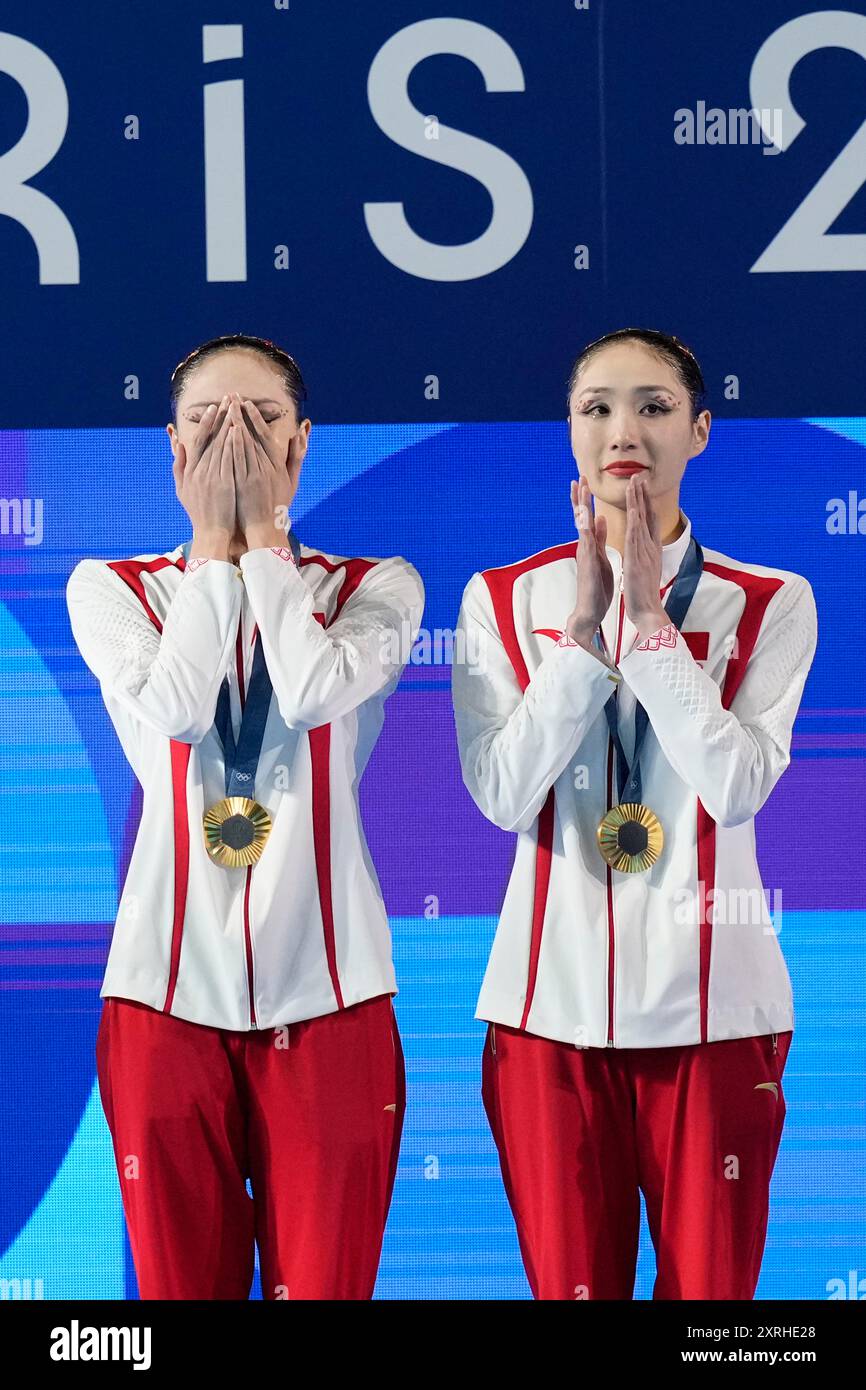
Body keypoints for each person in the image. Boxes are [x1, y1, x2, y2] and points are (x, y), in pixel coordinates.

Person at [451, 327, 818, 1300]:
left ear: (699, 430)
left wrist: (651, 630)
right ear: (570, 430)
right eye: (597, 407)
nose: (624, 430)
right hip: (546, 1018)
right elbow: (501, 795)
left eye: (654, 406)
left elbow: (736, 786)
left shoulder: (769, 600)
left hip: (716, 1019)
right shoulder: (501, 597)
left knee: (713, 1317)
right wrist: (580, 644)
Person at [66, 333, 424, 1300]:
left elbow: (308, 693)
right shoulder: (110, 589)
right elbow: (181, 709)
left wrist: (262, 541)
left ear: (303, 446)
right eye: (208, 423)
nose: (234, 444)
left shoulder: (376, 587)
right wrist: (214, 555)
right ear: (173, 451)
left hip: (332, 994)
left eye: (261, 423)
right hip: (163, 997)